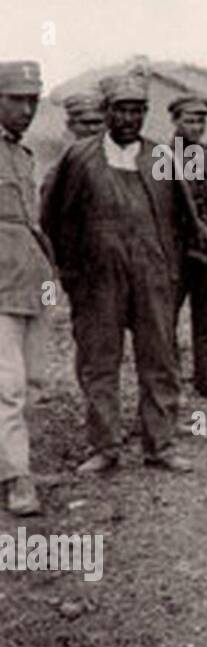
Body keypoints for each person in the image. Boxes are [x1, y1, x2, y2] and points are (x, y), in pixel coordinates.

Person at [40, 73, 196, 474]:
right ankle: (105, 446)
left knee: (160, 359)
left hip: (152, 275)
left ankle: (160, 445)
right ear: (107, 111)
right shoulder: (79, 159)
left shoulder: (161, 157)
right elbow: (54, 219)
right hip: (98, 280)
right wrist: (71, 274)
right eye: (121, 110)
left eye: (137, 110)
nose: (129, 119)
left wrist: (170, 269)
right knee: (98, 361)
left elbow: (185, 219)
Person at [0, 60, 55, 514]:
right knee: (9, 386)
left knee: (35, 381)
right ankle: (17, 478)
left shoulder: (23, 156)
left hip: (32, 283)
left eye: (33, 101)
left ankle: (13, 463)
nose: (26, 109)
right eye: (16, 99)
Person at [169, 94, 207, 398]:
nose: (196, 127)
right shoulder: (163, 158)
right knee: (167, 316)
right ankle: (168, 383)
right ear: (175, 121)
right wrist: (203, 233)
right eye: (190, 120)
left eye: (201, 121)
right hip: (175, 248)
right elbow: (169, 208)